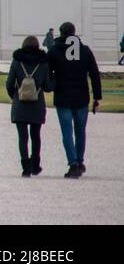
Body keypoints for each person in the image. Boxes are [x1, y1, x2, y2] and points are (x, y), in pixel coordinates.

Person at [45, 21, 103, 178]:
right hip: (81, 96)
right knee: (80, 131)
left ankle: (73, 164)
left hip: (63, 96)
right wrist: (98, 97)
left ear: (60, 33)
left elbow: (47, 73)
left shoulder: (55, 50)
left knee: (67, 132)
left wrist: (50, 85)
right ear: (74, 32)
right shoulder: (84, 50)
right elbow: (95, 74)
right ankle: (80, 160)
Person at [5, 35, 52, 177]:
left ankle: (25, 167)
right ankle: (35, 165)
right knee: (35, 136)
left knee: (22, 137)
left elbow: (9, 84)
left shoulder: (17, 61)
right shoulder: (43, 63)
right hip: (37, 105)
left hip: (20, 104)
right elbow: (48, 86)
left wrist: (15, 97)